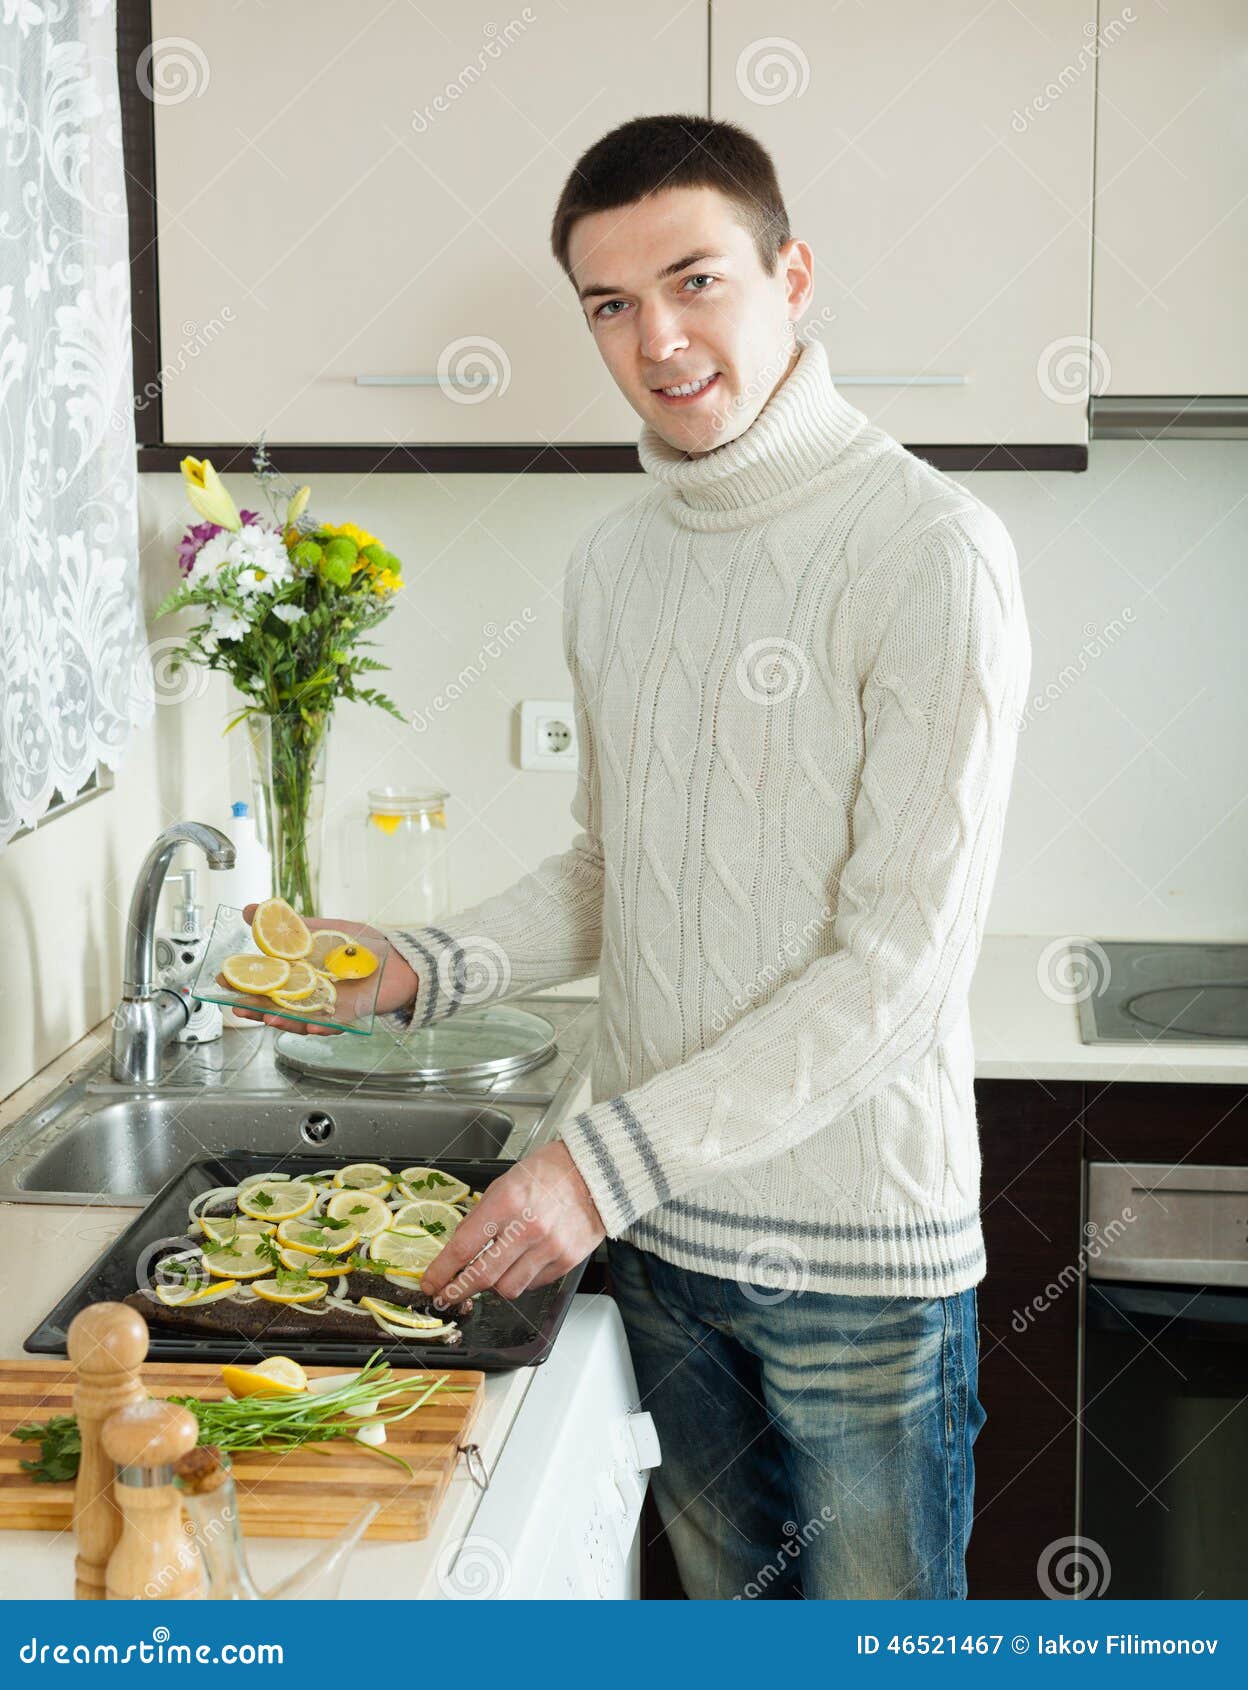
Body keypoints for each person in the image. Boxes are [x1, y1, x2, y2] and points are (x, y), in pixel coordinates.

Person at [241, 114, 1032, 1600]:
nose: (658, 338)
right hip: (665, 1241)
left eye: (695, 280)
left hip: (857, 1268)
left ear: (791, 273)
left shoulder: (933, 549)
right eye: (610, 303)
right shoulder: (614, 562)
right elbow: (618, 866)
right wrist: (423, 964)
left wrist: (593, 1172)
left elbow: (897, 976)